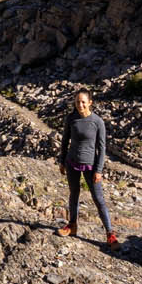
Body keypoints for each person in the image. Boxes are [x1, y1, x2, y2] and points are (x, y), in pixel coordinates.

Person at [59, 88, 117, 244]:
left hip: (91, 166)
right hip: (71, 163)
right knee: (74, 194)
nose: (80, 105)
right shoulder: (71, 118)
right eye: (77, 102)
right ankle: (72, 225)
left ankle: (110, 234)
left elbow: (102, 147)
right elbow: (65, 141)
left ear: (90, 102)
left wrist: (99, 170)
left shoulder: (97, 122)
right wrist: (62, 161)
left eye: (83, 102)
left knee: (98, 199)